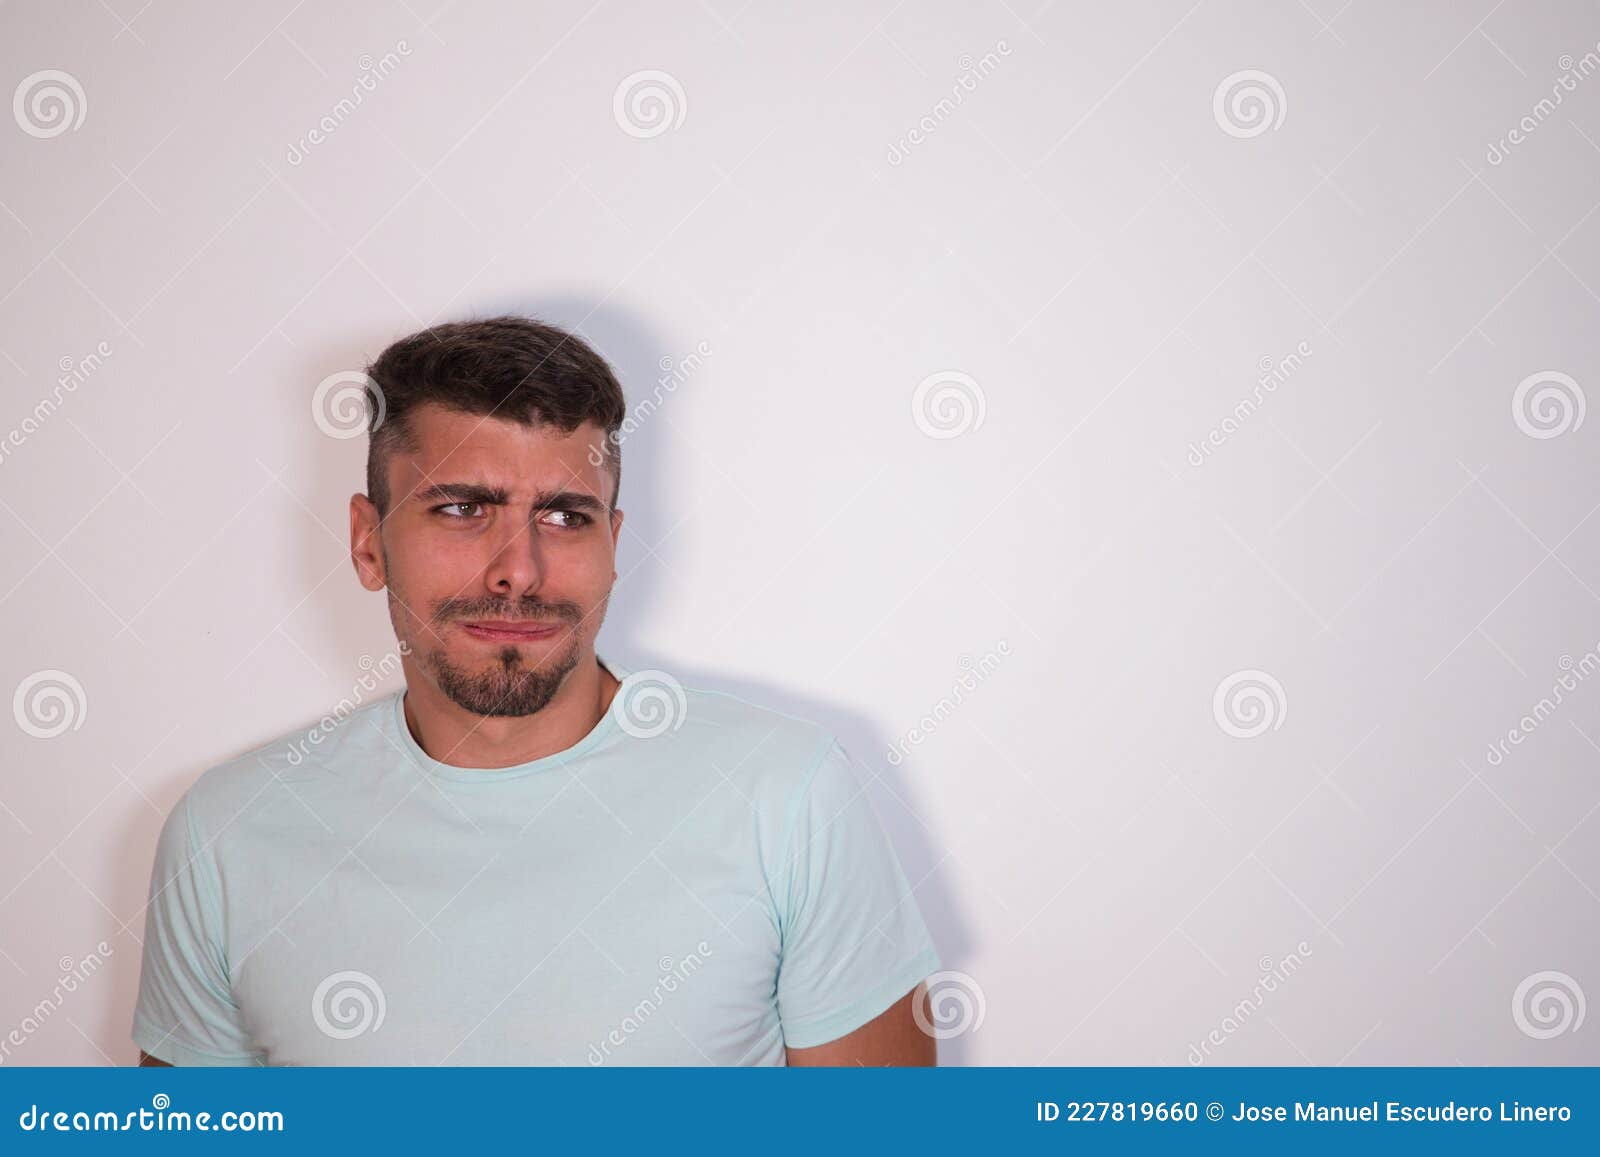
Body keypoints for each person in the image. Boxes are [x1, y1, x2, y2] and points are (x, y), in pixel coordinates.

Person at [132, 316, 941, 1066]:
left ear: (613, 546)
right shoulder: (227, 835)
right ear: (368, 543)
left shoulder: (789, 796)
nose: (518, 567)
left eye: (565, 517)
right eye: (460, 508)